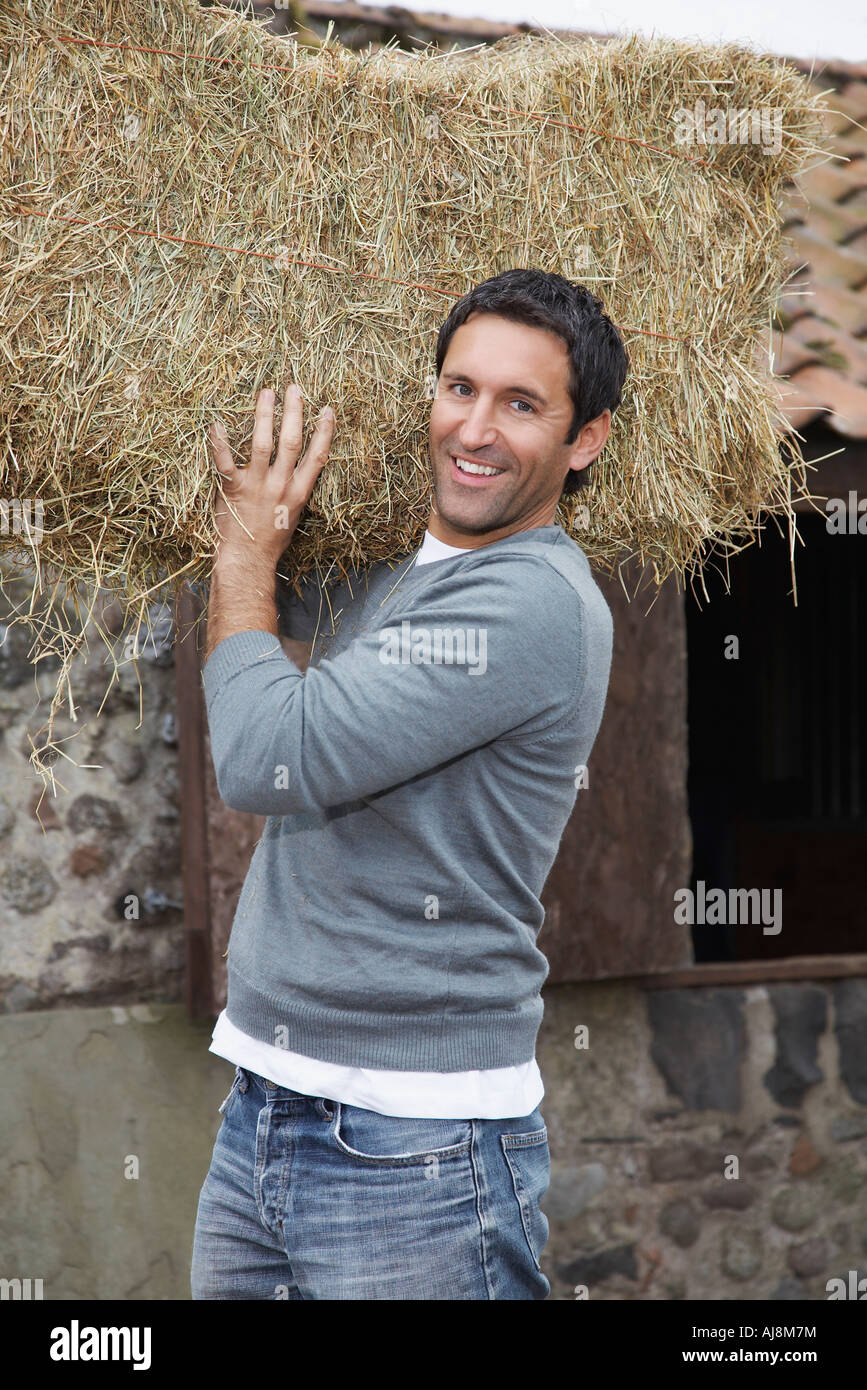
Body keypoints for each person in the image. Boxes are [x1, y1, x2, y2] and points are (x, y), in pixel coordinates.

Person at [191, 268, 628, 1300]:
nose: (475, 428)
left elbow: (265, 756)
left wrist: (246, 547)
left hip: (416, 1151)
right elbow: (233, 597)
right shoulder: (404, 570)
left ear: (587, 439)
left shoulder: (528, 606)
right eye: (459, 388)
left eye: (522, 405)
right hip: (265, 1104)